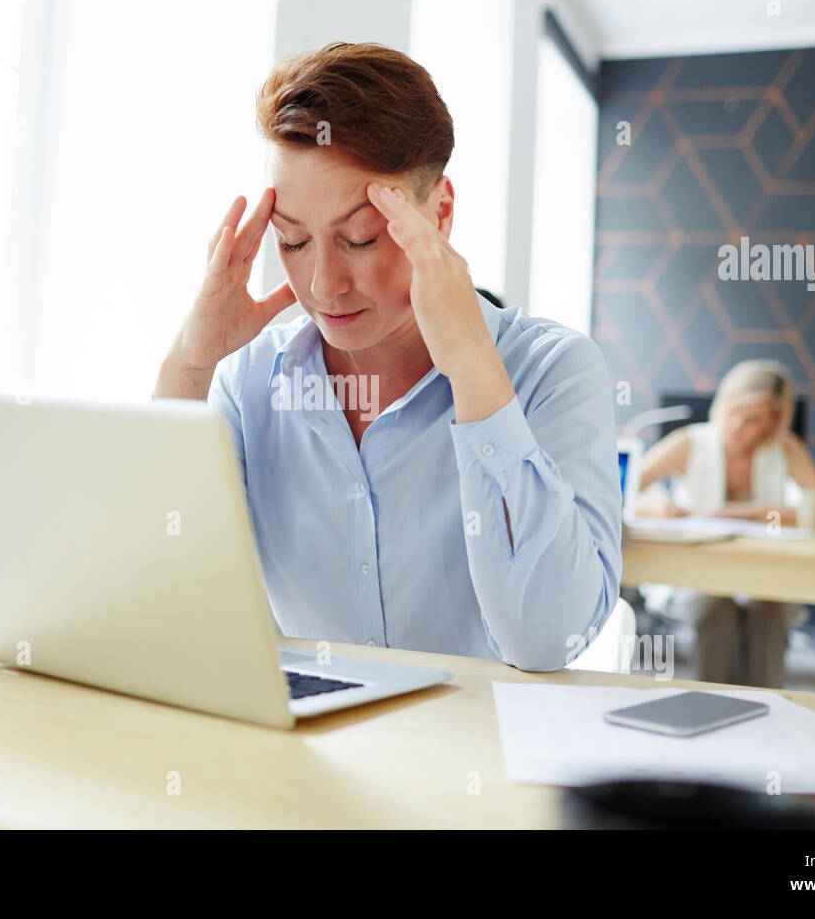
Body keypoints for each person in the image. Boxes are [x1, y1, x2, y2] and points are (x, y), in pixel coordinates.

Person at [152, 42, 622, 671]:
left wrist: (474, 372)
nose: (322, 285)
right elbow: (166, 585)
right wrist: (190, 365)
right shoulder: (249, 379)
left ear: (441, 214)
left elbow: (544, 640)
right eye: (291, 241)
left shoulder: (553, 371)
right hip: (304, 757)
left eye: (360, 238)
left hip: (485, 756)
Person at [635, 359, 815, 687]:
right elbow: (621, 492)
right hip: (696, 573)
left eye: (753, 419)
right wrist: (657, 506)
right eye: (734, 412)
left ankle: (766, 706)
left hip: (762, 572)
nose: (737, 426)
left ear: (775, 421)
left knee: (770, 610)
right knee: (716, 608)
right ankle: (709, 702)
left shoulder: (785, 449)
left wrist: (752, 511)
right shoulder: (688, 442)